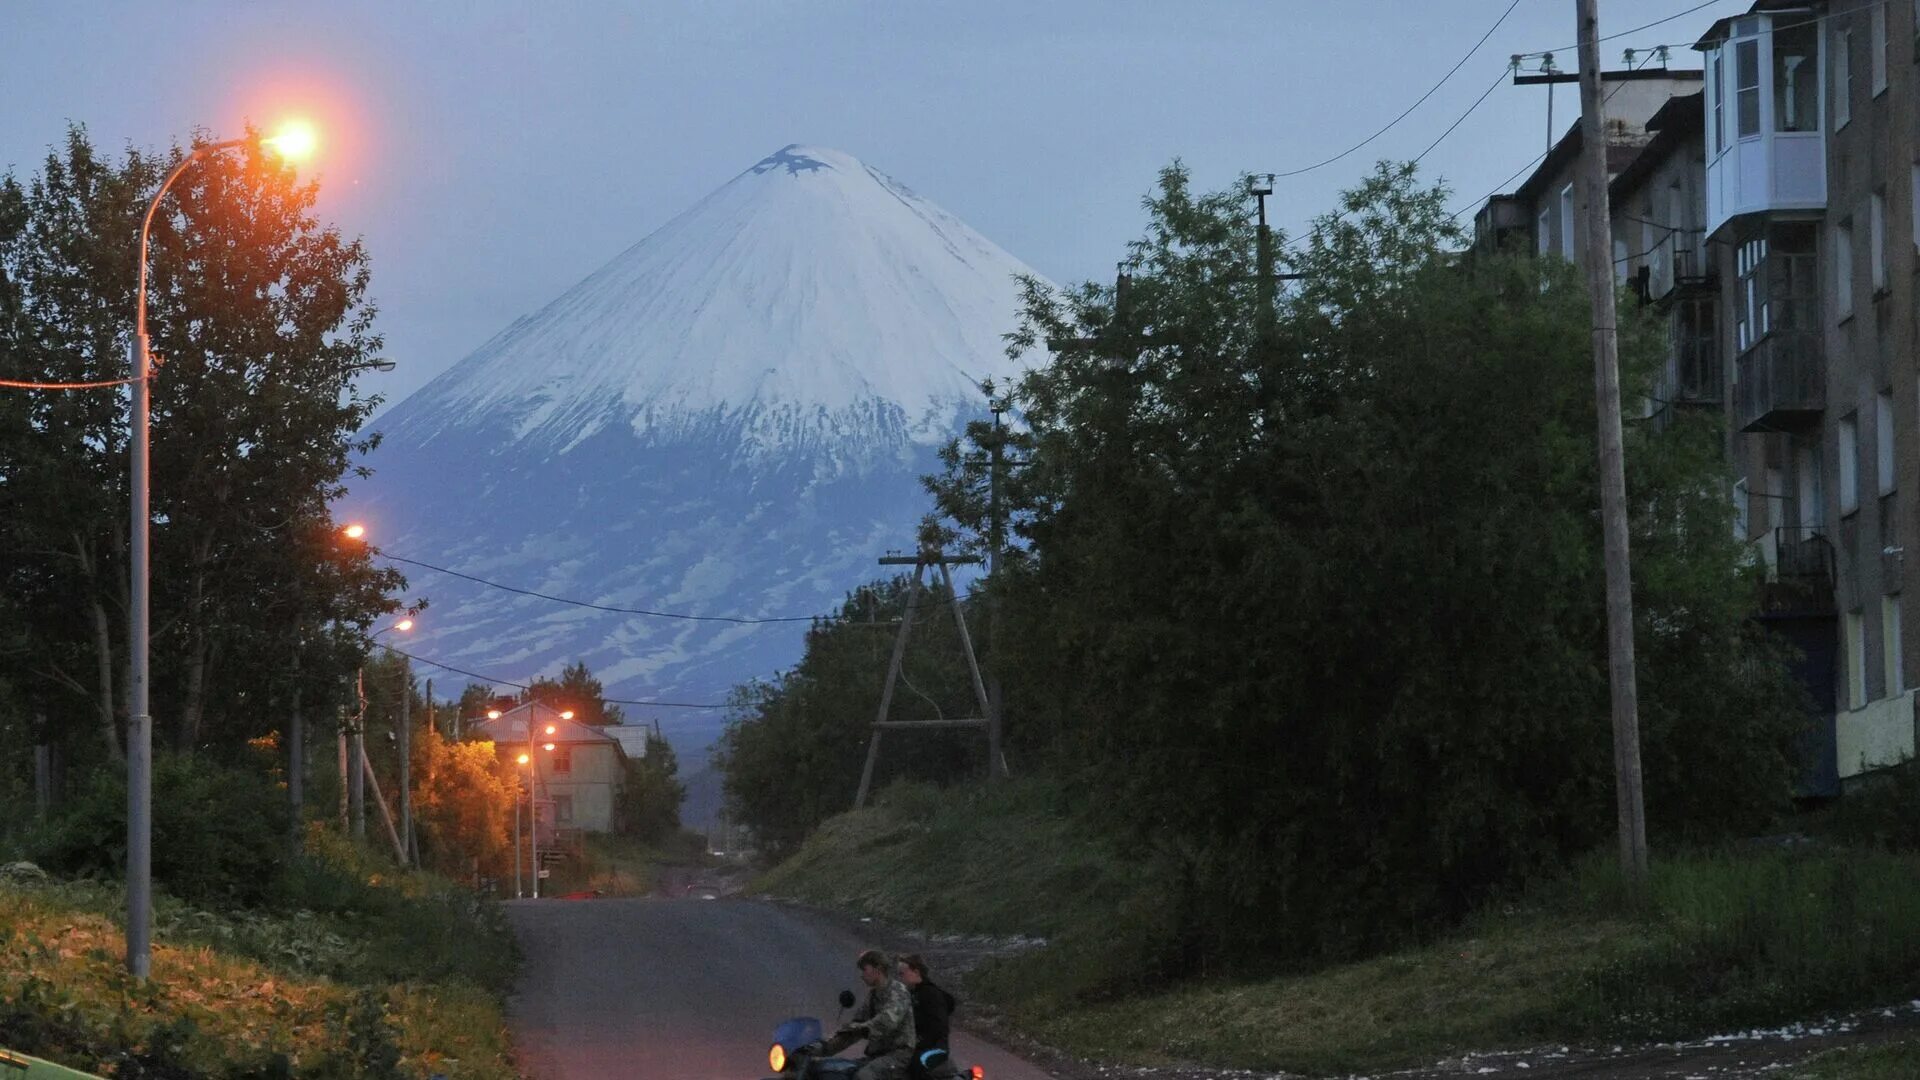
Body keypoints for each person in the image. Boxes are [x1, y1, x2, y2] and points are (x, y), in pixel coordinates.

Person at [819, 949, 916, 1079]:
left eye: (864, 969)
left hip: (899, 1056)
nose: (861, 975)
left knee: (864, 1076)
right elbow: (855, 1027)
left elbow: (885, 1023)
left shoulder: (898, 991)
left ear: (878, 969)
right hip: (878, 1056)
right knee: (834, 1069)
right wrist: (821, 1048)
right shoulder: (872, 996)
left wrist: (859, 1029)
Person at [897, 953, 955, 1057]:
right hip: (920, 1048)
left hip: (933, 1050)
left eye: (902, 974)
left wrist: (916, 1043)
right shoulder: (912, 994)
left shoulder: (931, 995)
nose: (900, 978)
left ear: (916, 972)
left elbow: (938, 1028)